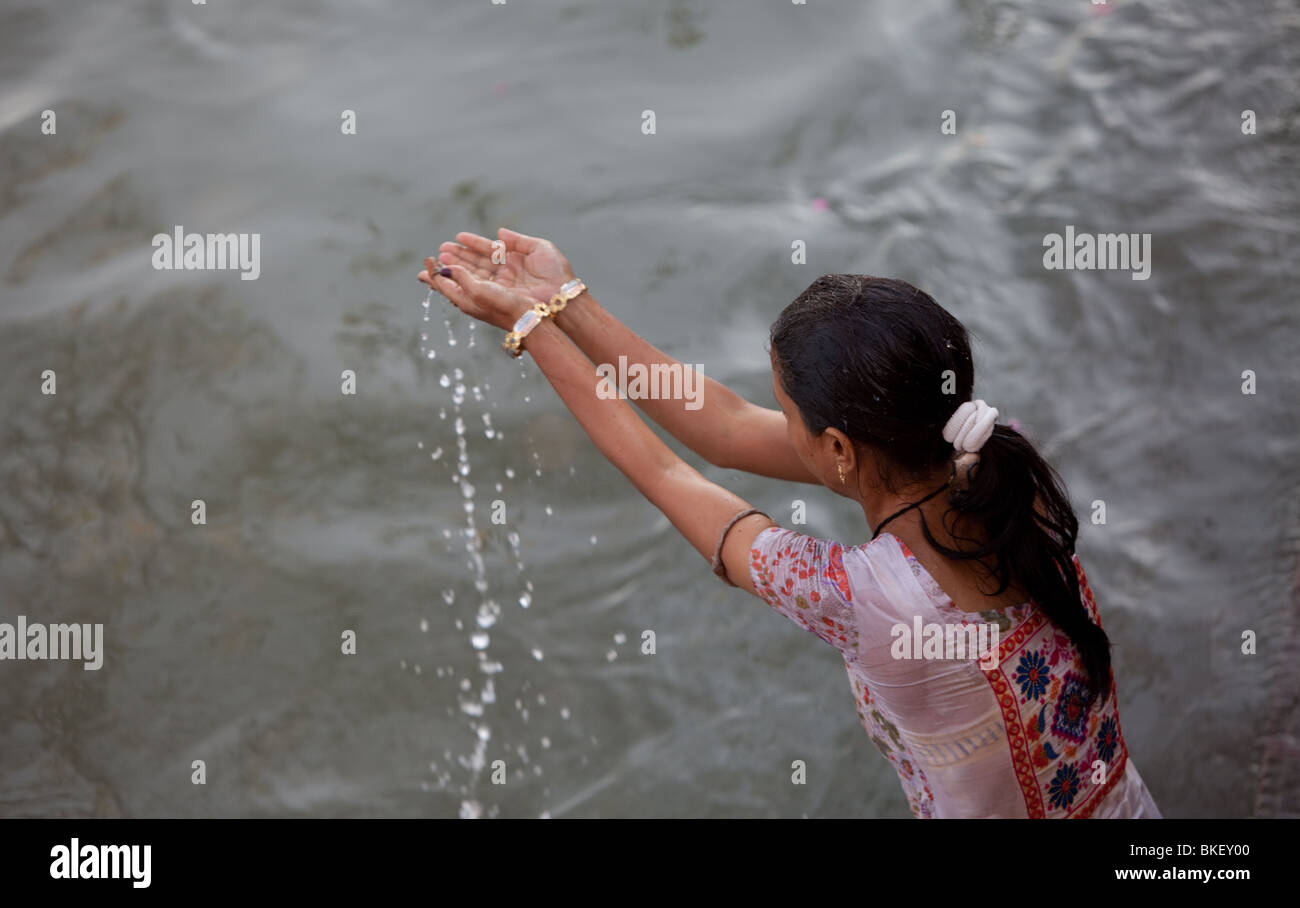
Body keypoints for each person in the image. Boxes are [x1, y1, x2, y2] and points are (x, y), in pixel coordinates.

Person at [417, 228, 1162, 819]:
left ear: (837, 450)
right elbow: (726, 427)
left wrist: (531, 327)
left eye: (791, 411)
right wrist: (564, 298)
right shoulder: (995, 468)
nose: (775, 417)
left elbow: (667, 472)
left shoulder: (864, 598)